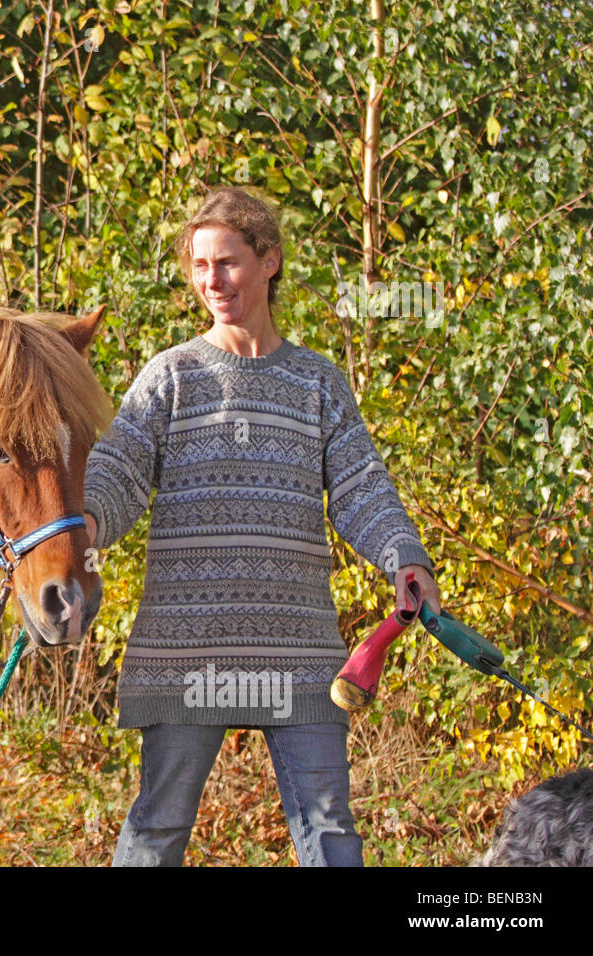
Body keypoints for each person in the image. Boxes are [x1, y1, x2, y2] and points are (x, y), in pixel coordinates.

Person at [82, 186, 441, 867]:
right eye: (199, 265)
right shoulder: (172, 376)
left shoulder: (318, 383)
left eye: (228, 263)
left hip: (298, 648)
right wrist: (86, 523)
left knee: (330, 831)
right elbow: (120, 468)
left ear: (270, 260)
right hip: (187, 649)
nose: (211, 281)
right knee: (157, 826)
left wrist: (404, 557)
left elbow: (363, 489)